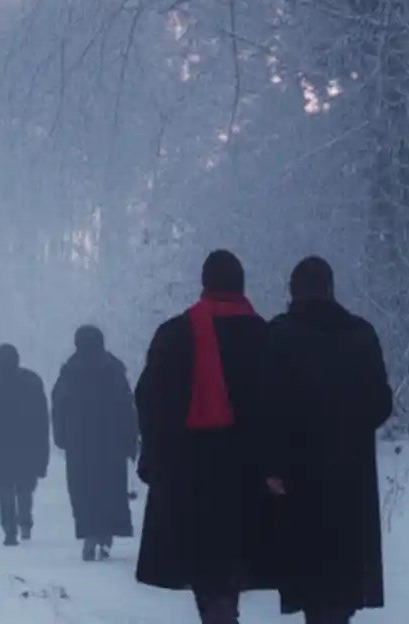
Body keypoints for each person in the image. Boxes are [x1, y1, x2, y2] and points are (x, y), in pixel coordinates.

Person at [133, 250, 276, 624]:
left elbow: (150, 400)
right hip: (250, 468)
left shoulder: (176, 333)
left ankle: (217, 609)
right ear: (242, 285)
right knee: (236, 552)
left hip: (190, 469)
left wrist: (153, 460)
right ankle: (223, 607)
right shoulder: (266, 336)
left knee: (205, 558)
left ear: (204, 284)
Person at [263, 257, 394, 624]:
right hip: (350, 473)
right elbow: (381, 403)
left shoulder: (279, 335)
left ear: (294, 291)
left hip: (298, 474)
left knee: (311, 577)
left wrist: (271, 465)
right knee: (343, 571)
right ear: (330, 288)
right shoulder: (361, 335)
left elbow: (265, 406)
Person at [52, 325, 138, 562]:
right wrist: (131, 440)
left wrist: (61, 437)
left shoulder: (69, 372)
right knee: (109, 488)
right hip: (110, 442)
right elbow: (127, 408)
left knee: (84, 490)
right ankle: (106, 535)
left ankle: (90, 534)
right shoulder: (113, 369)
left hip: (80, 443)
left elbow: (59, 406)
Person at [0, 344, 49, 547]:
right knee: (24, 487)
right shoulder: (31, 380)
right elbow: (42, 418)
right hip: (27, 443)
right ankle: (25, 523)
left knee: (5, 488)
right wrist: (43, 449)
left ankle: (9, 529)